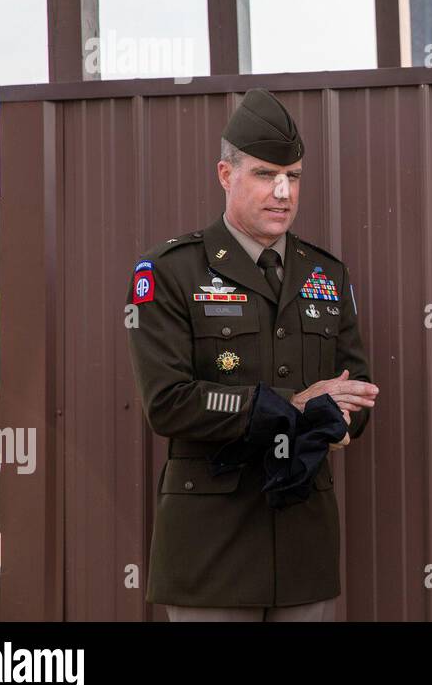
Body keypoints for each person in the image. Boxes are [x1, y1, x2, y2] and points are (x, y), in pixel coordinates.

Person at [125, 88, 379, 621]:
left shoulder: (325, 274)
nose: (283, 192)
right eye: (266, 174)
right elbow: (168, 403)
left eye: (294, 176)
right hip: (211, 549)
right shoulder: (170, 272)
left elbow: (357, 396)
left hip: (303, 544)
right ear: (225, 174)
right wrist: (298, 405)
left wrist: (338, 417)